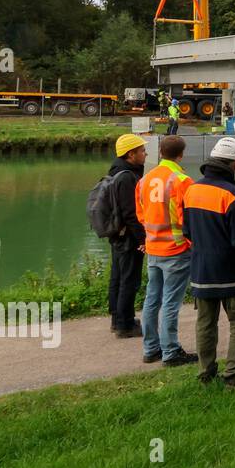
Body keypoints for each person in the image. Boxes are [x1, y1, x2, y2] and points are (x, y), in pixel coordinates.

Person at [183, 137, 235, 388]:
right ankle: (234, 376)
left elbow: (187, 232)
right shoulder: (234, 196)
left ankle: (206, 374)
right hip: (233, 274)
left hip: (201, 271)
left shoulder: (192, 190)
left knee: (205, 323)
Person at [137, 135, 198, 367]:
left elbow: (141, 214)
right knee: (171, 302)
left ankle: (150, 348)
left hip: (153, 249)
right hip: (176, 249)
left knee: (152, 300)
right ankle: (171, 352)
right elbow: (190, 217)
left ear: (160, 153)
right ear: (181, 155)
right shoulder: (183, 180)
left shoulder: (144, 180)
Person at [107, 134, 148, 337]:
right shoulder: (126, 177)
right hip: (128, 237)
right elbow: (131, 214)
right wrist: (143, 239)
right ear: (131, 154)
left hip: (118, 235)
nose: (145, 154)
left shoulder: (116, 172)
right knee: (129, 280)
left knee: (117, 277)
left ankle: (117, 319)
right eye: (142, 151)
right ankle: (125, 325)